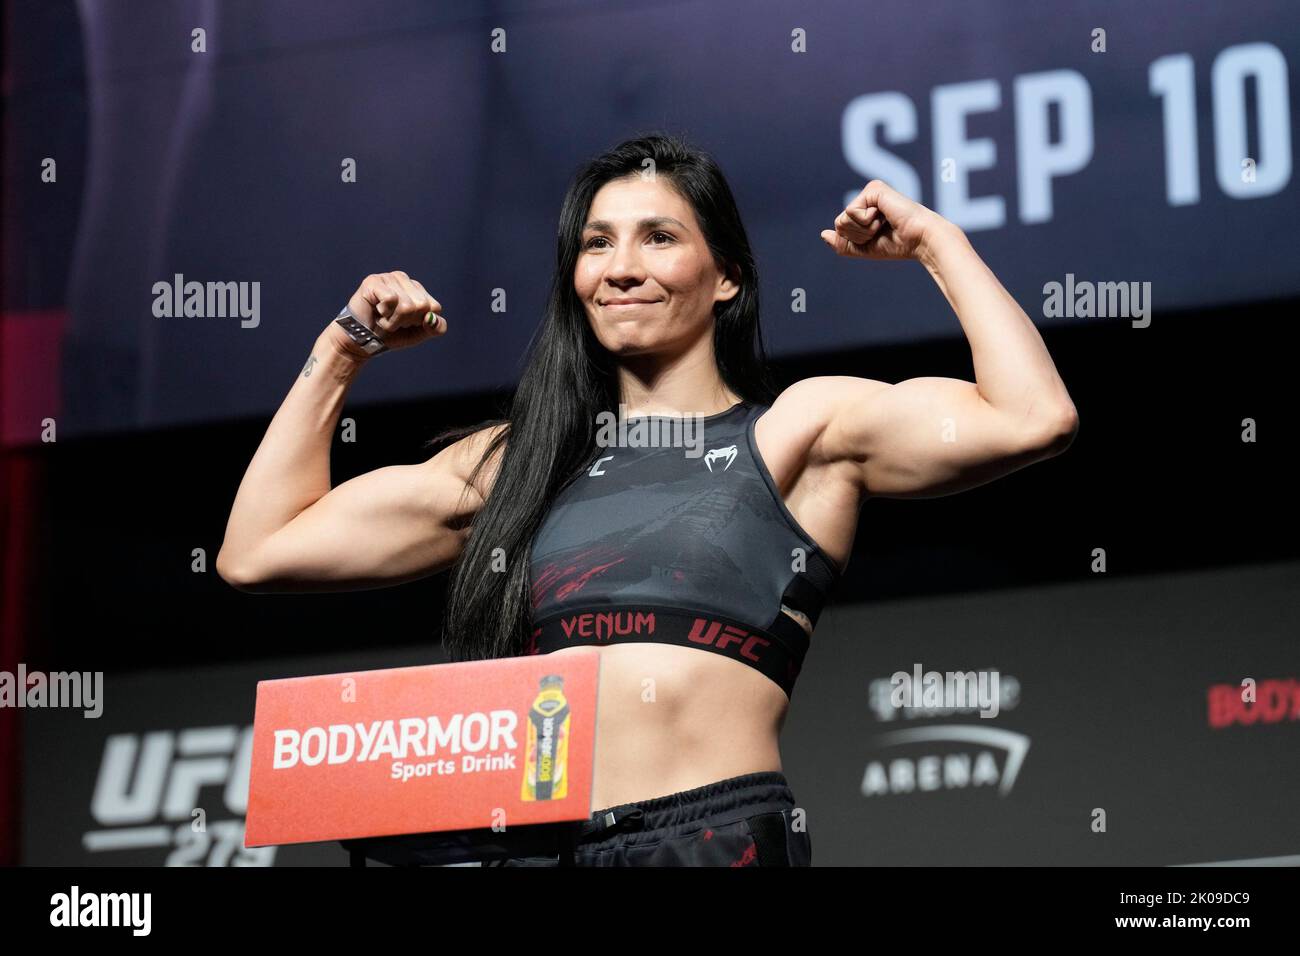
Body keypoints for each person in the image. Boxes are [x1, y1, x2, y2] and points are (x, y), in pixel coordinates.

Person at [216, 133, 1077, 866]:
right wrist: (344, 347)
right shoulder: (518, 463)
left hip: (708, 836)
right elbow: (257, 551)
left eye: (659, 237)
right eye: (596, 244)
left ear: (727, 275)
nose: (621, 269)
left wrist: (934, 242)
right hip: (537, 847)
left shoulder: (798, 432)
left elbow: (1033, 418)